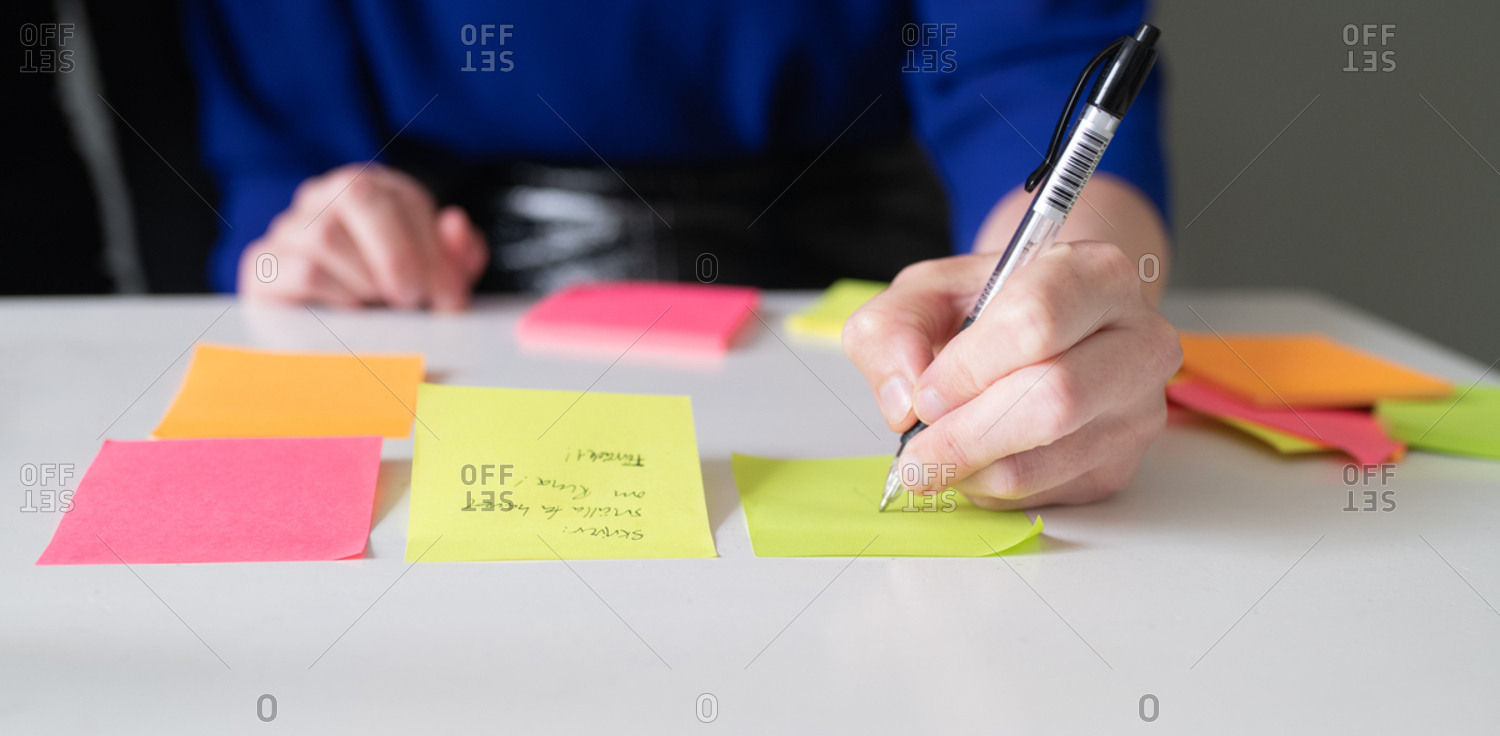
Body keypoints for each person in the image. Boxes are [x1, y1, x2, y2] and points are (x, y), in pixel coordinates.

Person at [187, 0, 1180, 509]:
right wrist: (309, 234)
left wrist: (1064, 289)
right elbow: (277, 150)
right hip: (435, 305)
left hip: (888, 286)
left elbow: (1034, 64)